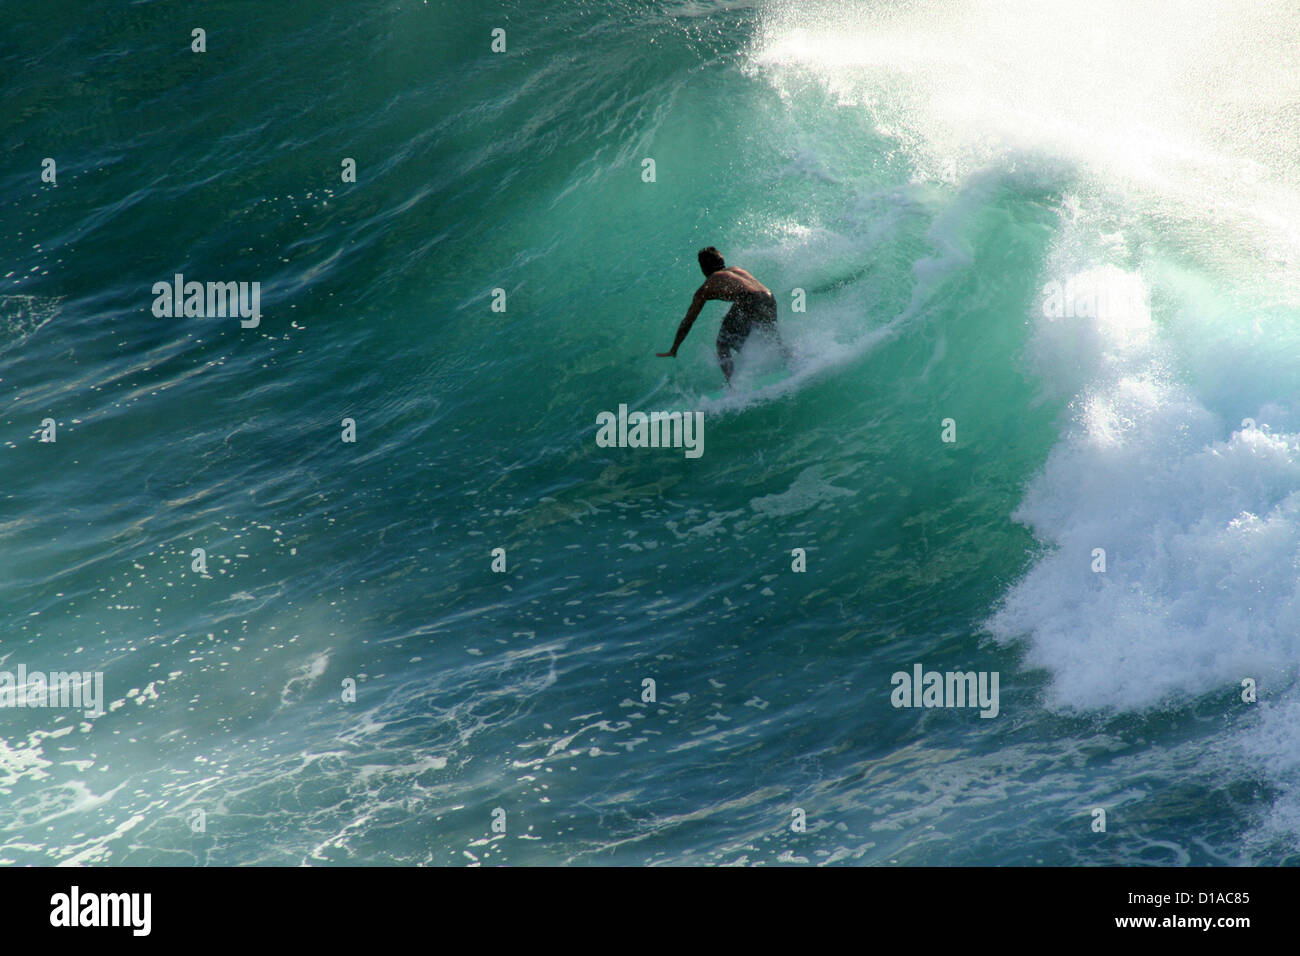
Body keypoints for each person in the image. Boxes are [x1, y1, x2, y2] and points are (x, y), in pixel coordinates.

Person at [657, 247, 786, 384]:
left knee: (722, 344)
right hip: (768, 297)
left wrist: (674, 348)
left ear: (703, 267)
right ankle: (793, 360)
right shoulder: (737, 270)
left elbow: (688, 321)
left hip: (748, 300)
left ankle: (732, 385)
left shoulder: (707, 286)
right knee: (772, 338)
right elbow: (752, 294)